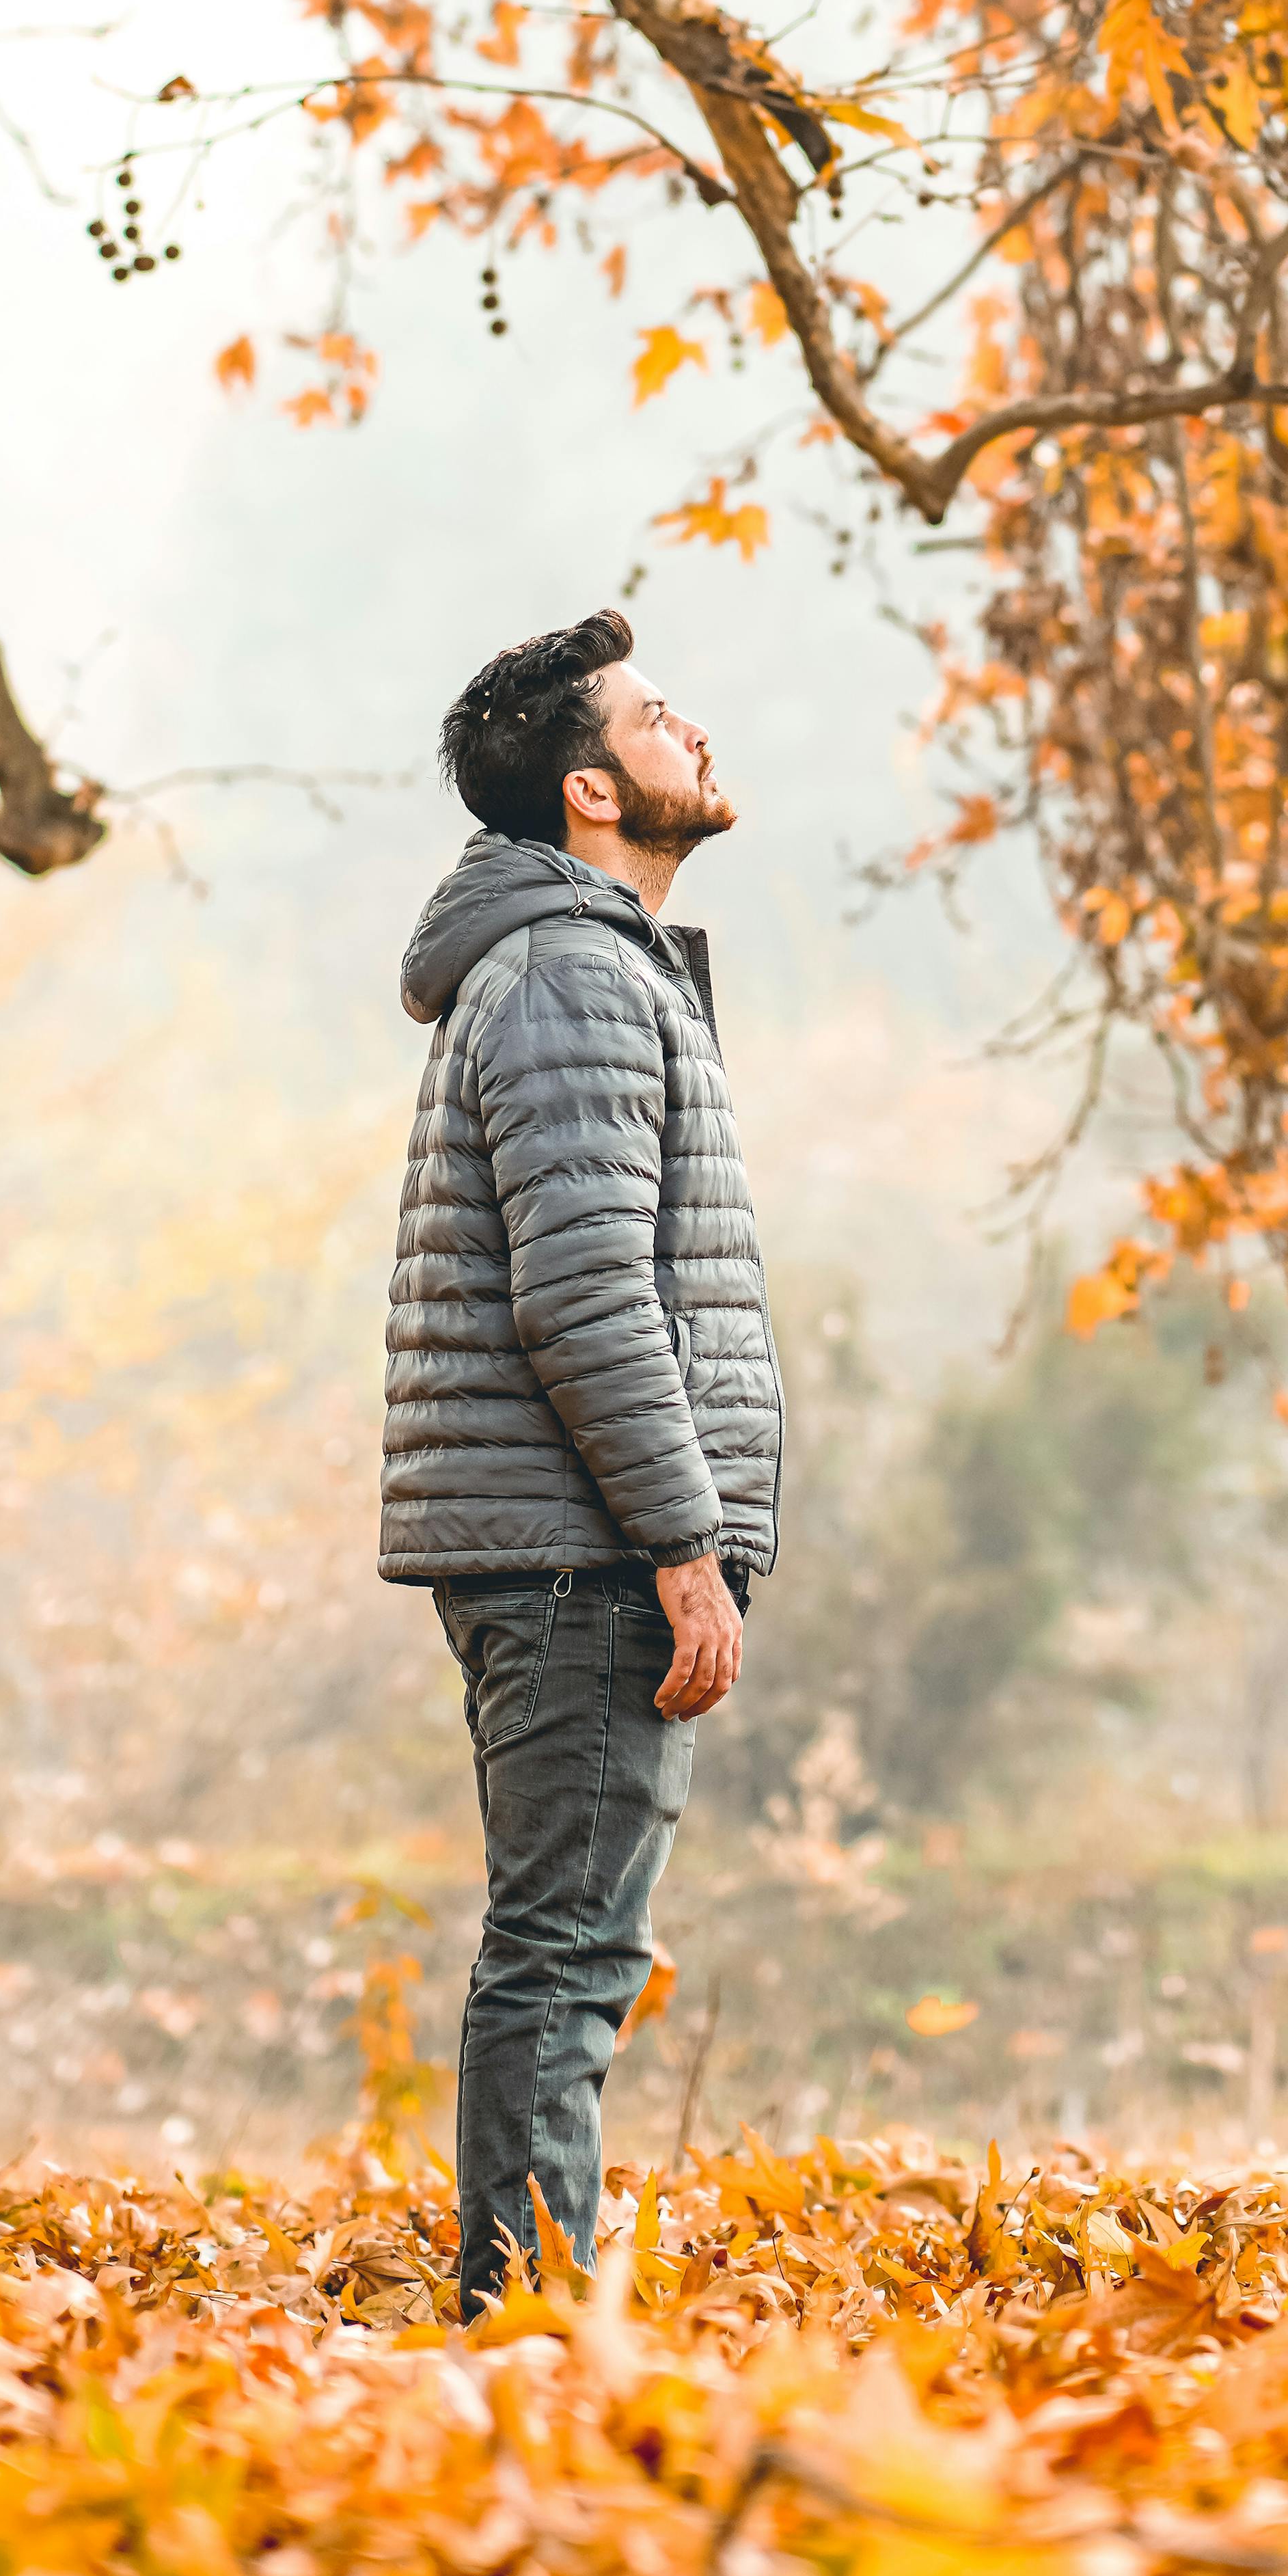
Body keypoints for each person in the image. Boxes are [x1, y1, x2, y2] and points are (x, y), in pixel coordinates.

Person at [381, 608, 784, 2309]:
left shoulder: (590, 968)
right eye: (654, 713)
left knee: (570, 1946)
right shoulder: (568, 977)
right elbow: (584, 1292)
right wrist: (683, 1545)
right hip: (581, 1554)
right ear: (591, 788)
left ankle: (526, 2315)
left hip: (575, 1539)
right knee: (562, 1954)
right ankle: (525, 2332)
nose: (691, 725)